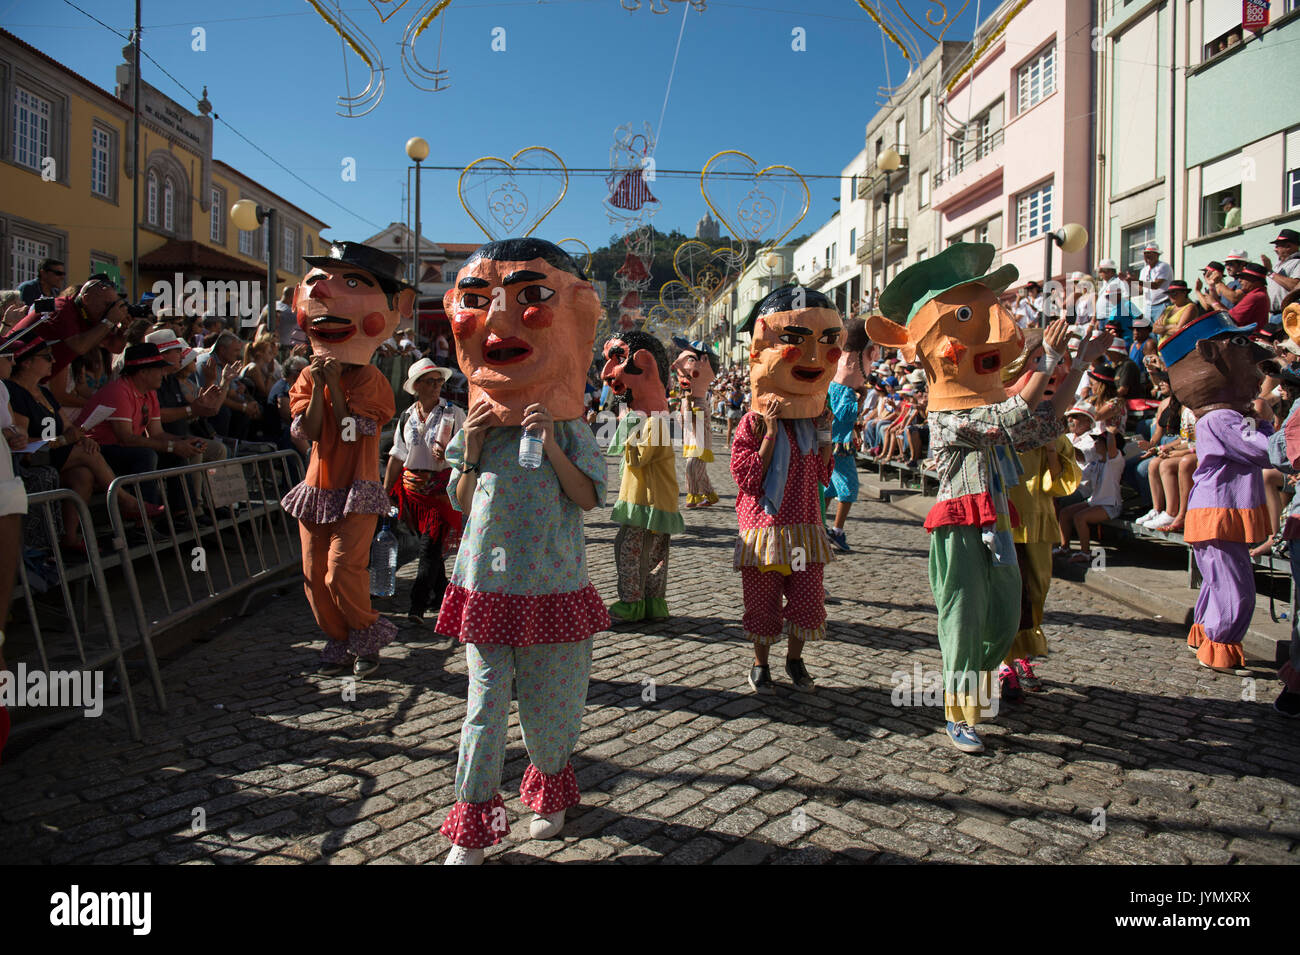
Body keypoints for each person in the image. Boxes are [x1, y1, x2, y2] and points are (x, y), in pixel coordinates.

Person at [865, 243, 1110, 754]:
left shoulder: (993, 403)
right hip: (958, 527)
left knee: (1003, 620)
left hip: (999, 521)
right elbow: (1009, 418)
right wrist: (1044, 360)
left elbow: (1043, 422)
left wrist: (1075, 363)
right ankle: (961, 712)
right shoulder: (945, 415)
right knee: (964, 618)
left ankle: (981, 683)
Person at [435, 238, 608, 864]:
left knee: (549, 709)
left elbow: (588, 498)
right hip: (485, 587)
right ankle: (472, 829)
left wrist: (553, 442)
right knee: (482, 711)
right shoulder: (474, 424)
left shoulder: (572, 425)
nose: (498, 320)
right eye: (478, 302)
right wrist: (474, 449)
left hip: (554, 586)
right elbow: (460, 497)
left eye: (529, 298)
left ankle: (549, 792)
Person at [281, 242, 408, 679]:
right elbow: (313, 432)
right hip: (317, 488)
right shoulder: (305, 376)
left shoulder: (373, 380)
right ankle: (339, 641)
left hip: (359, 488)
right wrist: (320, 387)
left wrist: (335, 387)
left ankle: (368, 634)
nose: (329, 293)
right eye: (319, 281)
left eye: (351, 283)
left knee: (341, 572)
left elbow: (353, 430)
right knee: (314, 575)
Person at [731, 285, 841, 695]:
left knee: (808, 603)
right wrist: (771, 432)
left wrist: (827, 432)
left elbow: (823, 471)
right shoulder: (752, 422)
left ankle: (795, 661)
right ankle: (761, 664)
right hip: (763, 528)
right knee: (761, 603)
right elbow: (747, 477)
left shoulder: (812, 424)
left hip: (805, 528)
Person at [1161, 310, 1274, 675]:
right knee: (1235, 586)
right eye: (1240, 344)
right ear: (1210, 355)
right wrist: (1269, 420)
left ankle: (1204, 637)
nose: (1255, 360)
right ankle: (1221, 647)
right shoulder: (1223, 418)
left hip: (1216, 510)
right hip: (1221, 510)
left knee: (1216, 580)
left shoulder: (1219, 416)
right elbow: (1262, 450)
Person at [4, 334, 162, 551]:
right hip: (31, 457)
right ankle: (126, 501)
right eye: (47, 357)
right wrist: (63, 440)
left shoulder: (42, 392)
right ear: (27, 362)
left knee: (83, 474)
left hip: (56, 453)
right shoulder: (14, 393)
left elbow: (68, 425)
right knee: (88, 456)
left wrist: (81, 438)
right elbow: (20, 440)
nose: (53, 361)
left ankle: (69, 537)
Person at [1000, 330, 1081, 694]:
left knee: (1036, 593)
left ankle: (1023, 653)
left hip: (1039, 520)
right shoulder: (1005, 415)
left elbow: (1062, 482)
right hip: (1005, 518)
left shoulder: (1052, 424)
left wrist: (1050, 450)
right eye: (1038, 363)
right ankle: (1004, 661)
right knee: (1005, 595)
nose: (1048, 374)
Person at [602, 331, 683, 624]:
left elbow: (636, 457)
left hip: (646, 501)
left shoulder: (655, 420)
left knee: (632, 551)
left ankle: (634, 603)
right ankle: (653, 602)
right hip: (649, 499)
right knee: (654, 554)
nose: (605, 375)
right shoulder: (651, 417)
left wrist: (627, 422)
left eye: (616, 360)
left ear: (644, 363)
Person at [384, 358, 464, 627]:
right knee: (431, 549)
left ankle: (416, 605)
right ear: (416, 386)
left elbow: (468, 448)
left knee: (428, 548)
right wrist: (385, 491)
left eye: (439, 381)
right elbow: (398, 454)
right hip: (413, 493)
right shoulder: (407, 416)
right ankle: (443, 597)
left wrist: (451, 454)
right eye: (430, 382)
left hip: (441, 491)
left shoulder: (453, 414)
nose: (437, 386)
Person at [79, 343, 206, 503]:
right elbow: (125, 438)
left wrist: (182, 442)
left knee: (175, 454)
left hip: (119, 447)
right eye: (159, 368)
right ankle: (143, 515)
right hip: (95, 449)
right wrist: (172, 446)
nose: (163, 373)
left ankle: (183, 513)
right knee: (146, 455)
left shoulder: (149, 392)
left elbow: (158, 433)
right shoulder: (119, 391)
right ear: (143, 372)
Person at [11, 274, 128, 383]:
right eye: (106, 305)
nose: (109, 310)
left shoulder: (92, 317)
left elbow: (115, 347)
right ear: (86, 299)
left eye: (112, 306)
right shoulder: (62, 308)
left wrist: (124, 328)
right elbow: (79, 346)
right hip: (11, 372)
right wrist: (109, 321)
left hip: (31, 379)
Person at [825, 319, 871, 552]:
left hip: (834, 441)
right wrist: (856, 402)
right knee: (849, 487)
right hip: (839, 444)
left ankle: (818, 525)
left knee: (830, 487)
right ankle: (836, 530)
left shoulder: (836, 385)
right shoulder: (844, 389)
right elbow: (840, 415)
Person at [671, 339, 720, 509]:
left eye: (690, 360)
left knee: (692, 467)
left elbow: (693, 421)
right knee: (699, 470)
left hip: (700, 441)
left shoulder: (699, 402)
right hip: (692, 440)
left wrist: (688, 406)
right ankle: (710, 495)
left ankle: (693, 496)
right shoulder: (688, 398)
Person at [1267, 229, 1300, 320]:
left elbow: (1295, 286)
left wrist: (1271, 273)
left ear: (1288, 246)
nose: (1275, 249)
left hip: (1289, 312)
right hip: (1275, 314)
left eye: (1278, 246)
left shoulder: (1297, 262)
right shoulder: (1278, 265)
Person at [1139, 243, 1173, 326]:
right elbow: (1140, 290)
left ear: (1157, 255)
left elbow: (1155, 285)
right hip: (1148, 306)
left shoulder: (1163, 266)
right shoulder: (1144, 270)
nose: (1147, 256)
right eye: (1145, 254)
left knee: (1161, 331)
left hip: (1162, 304)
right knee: (1150, 334)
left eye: (1150, 254)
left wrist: (1135, 281)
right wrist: (1128, 282)